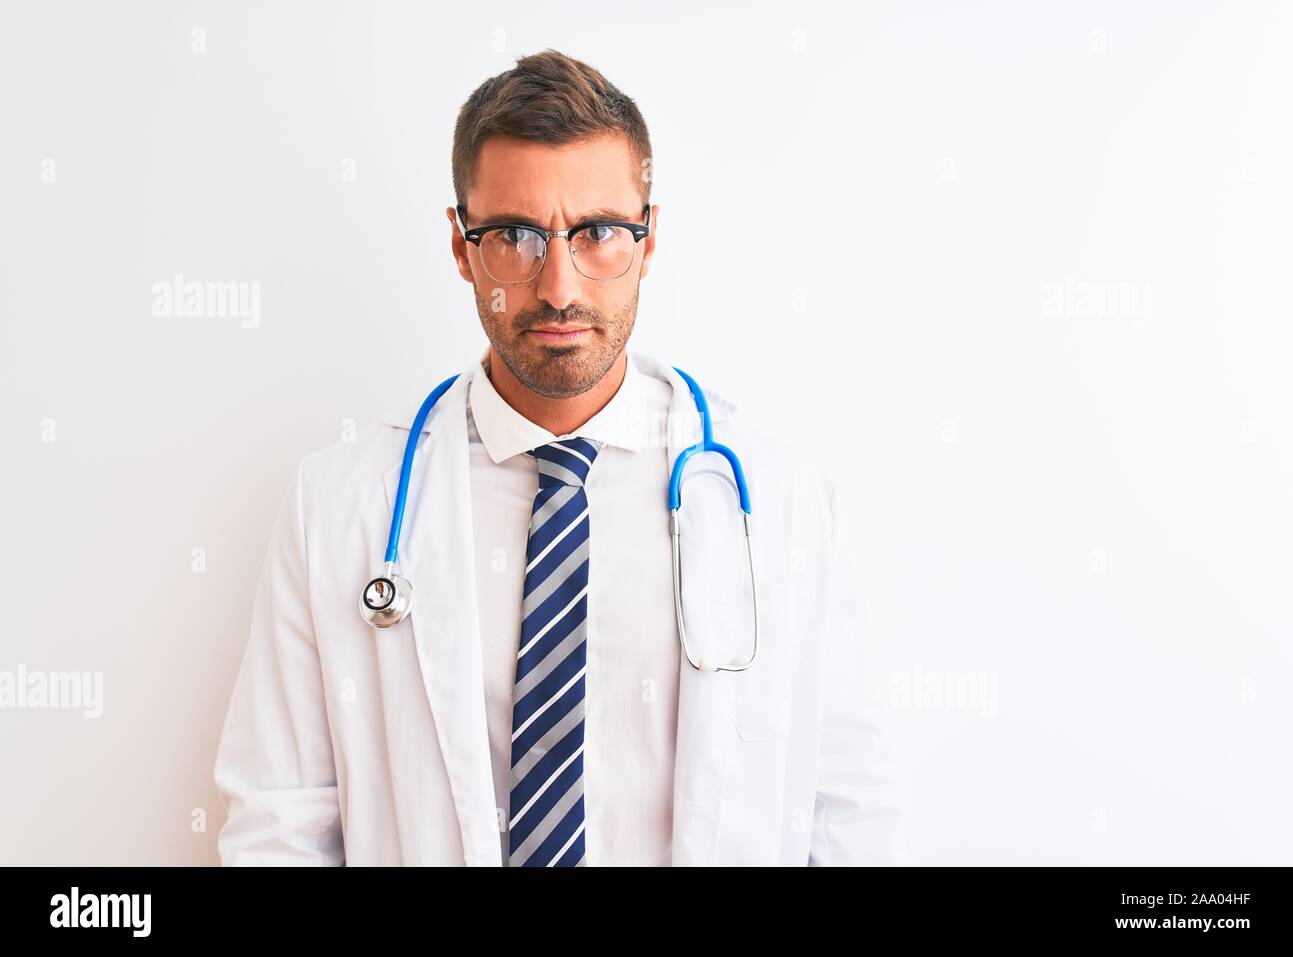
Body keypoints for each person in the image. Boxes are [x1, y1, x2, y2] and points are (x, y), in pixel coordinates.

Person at [213, 48, 904, 867]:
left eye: (600, 233)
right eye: (514, 235)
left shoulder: (781, 501)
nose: (558, 285)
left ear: (648, 241)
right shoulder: (336, 506)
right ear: (463, 246)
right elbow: (277, 828)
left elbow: (849, 811)